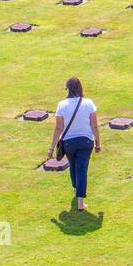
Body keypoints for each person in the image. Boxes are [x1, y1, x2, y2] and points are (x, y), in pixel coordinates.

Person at [47, 76, 100, 212]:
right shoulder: (88, 103)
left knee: (73, 166)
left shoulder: (61, 105)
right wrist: (98, 143)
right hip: (86, 141)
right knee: (82, 169)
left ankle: (77, 189)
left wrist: (52, 148)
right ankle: (80, 201)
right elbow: (94, 125)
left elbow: (58, 128)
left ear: (68, 90)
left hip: (69, 143)